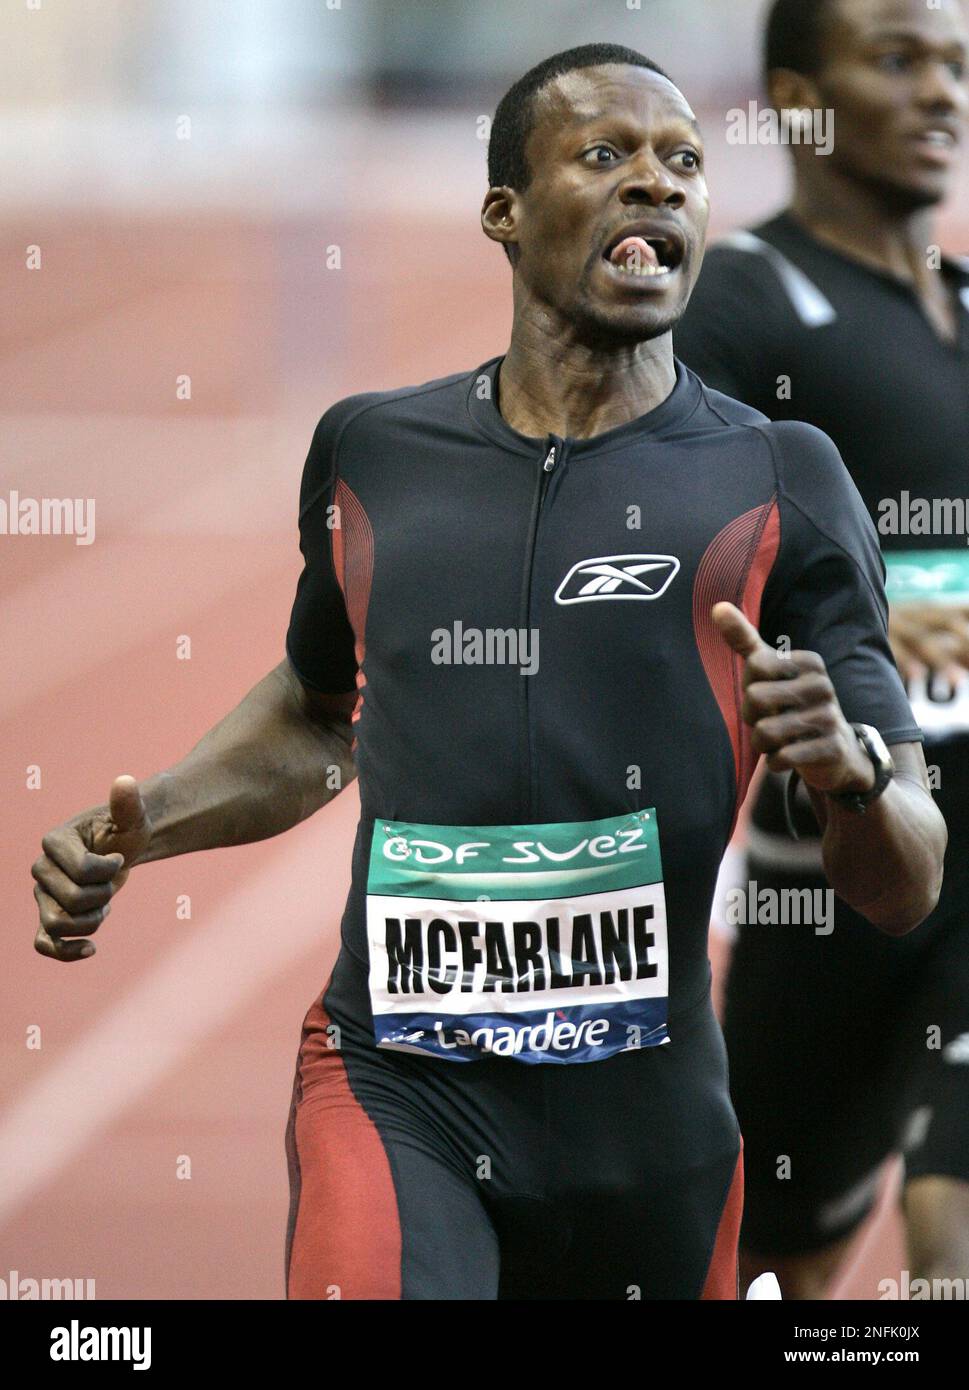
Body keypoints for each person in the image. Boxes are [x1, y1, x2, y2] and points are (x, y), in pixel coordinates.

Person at [31, 43, 945, 1301]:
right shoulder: (373, 452)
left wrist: (848, 776)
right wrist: (151, 827)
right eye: (607, 156)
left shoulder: (783, 477)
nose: (657, 187)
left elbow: (909, 878)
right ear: (502, 212)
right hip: (395, 1079)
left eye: (683, 163)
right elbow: (317, 708)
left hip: (653, 1127)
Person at [675, 0, 969, 1298]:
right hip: (836, 862)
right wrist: (853, 607)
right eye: (896, 60)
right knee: (773, 1267)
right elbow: (644, 541)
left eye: (956, 64)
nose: (940, 92)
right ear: (796, 98)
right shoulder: (740, 303)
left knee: (949, 1224)